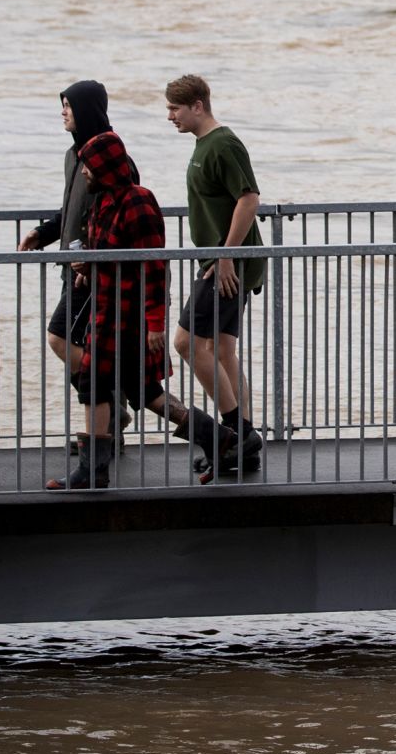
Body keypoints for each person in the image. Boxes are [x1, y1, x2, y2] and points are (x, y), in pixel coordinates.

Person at [46, 130, 235, 490]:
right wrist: (87, 268)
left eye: (89, 165)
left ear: (107, 165)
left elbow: (155, 267)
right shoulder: (102, 202)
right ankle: (216, 436)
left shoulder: (139, 203)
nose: (84, 172)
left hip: (128, 318)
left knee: (92, 384)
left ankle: (91, 472)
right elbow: (104, 253)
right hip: (105, 311)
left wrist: (155, 325)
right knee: (145, 391)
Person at [18, 80, 132, 450]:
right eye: (62, 105)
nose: (63, 112)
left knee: (61, 338)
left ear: (86, 110)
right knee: (72, 342)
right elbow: (72, 210)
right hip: (74, 267)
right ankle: (106, 426)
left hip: (95, 270)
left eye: (68, 105)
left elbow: (120, 213)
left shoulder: (113, 157)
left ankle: (115, 402)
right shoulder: (74, 155)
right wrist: (44, 233)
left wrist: (94, 258)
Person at [165, 74, 263, 474]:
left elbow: (249, 198)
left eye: (175, 108)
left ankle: (235, 434)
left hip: (226, 265)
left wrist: (225, 256)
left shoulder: (223, 144)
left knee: (186, 343)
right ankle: (243, 443)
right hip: (222, 261)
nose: (169, 116)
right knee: (222, 350)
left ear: (198, 106)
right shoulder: (203, 145)